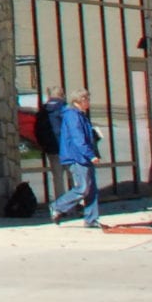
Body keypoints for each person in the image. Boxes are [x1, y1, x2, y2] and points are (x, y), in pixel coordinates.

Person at [48, 90, 101, 228]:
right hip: (77, 157)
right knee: (83, 188)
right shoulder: (72, 115)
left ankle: (91, 219)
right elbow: (78, 138)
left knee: (91, 189)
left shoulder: (81, 115)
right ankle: (57, 206)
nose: (89, 101)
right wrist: (90, 155)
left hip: (84, 156)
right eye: (87, 98)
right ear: (80, 100)